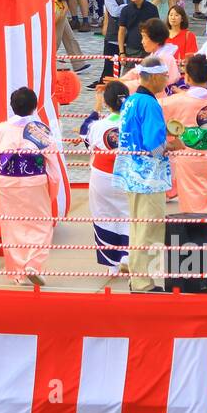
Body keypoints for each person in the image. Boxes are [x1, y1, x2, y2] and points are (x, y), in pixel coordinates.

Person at [0, 87, 64, 286]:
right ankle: (32, 264)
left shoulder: (0, 129)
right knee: (40, 223)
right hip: (34, 181)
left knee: (12, 225)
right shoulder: (40, 129)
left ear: (12, 106)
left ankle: (18, 272)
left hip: (7, 182)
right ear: (35, 107)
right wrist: (52, 185)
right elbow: (52, 160)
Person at [112, 57, 173, 292]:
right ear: (155, 77)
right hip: (147, 176)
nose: (167, 80)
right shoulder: (149, 104)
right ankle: (142, 282)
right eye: (165, 76)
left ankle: (137, 276)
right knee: (148, 228)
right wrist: (172, 146)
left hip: (131, 172)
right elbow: (153, 145)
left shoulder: (132, 100)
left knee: (139, 226)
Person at [161, 53, 207, 215]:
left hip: (188, 155)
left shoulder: (176, 101)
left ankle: (196, 232)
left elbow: (157, 113)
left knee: (190, 198)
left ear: (187, 77)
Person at [85, 81, 130, 273]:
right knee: (129, 215)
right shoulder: (135, 123)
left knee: (104, 214)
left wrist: (96, 106)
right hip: (128, 174)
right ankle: (128, 255)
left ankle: (112, 265)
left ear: (107, 103)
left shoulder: (98, 126)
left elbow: (85, 134)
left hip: (102, 176)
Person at [96, 0, 130, 86]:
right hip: (113, 37)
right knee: (109, 71)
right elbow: (114, 12)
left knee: (128, 73)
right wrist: (130, 6)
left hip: (129, 38)